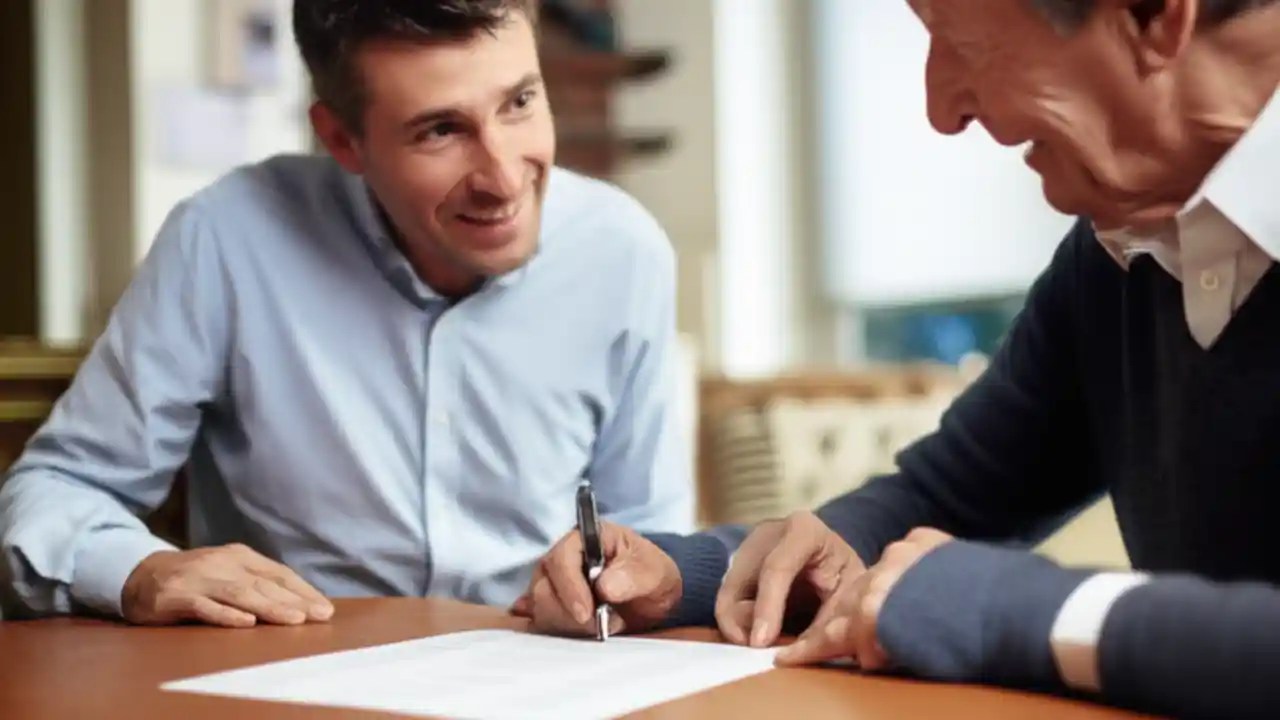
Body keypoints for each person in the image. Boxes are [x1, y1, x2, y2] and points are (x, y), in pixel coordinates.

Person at [515, 0, 1280, 717]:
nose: (941, 108)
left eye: (965, 42)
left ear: (1154, 18)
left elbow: (975, 588)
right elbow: (946, 495)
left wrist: (1014, 609)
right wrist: (697, 577)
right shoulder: (1124, 248)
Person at [0, 0, 692, 628]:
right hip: (290, 674)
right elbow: (53, 490)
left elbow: (649, 539)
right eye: (441, 130)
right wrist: (139, 572)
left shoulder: (622, 252)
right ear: (341, 140)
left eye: (519, 103)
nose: (505, 179)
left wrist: (632, 586)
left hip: (541, 677)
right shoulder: (226, 240)